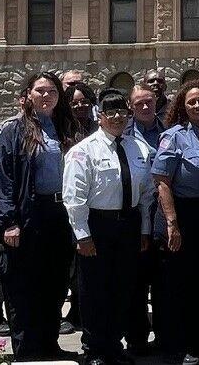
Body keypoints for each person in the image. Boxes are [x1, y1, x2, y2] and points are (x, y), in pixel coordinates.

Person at [0, 73, 80, 360]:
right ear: (28, 95)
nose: (46, 95)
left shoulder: (67, 127)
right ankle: (26, 349)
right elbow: (2, 178)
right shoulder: (14, 131)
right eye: (39, 90)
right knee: (23, 285)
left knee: (54, 283)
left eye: (51, 90)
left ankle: (48, 342)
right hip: (28, 214)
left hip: (60, 215)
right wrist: (9, 221)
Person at [63, 89, 156, 365]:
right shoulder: (84, 151)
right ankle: (95, 349)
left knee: (123, 288)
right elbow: (74, 198)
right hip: (97, 226)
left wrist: (144, 230)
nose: (117, 117)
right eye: (110, 112)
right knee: (95, 291)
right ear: (100, 117)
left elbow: (147, 193)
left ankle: (115, 345)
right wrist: (82, 235)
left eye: (122, 112)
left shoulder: (138, 148)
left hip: (129, 224)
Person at [153, 82, 199, 365]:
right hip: (182, 214)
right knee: (178, 284)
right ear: (182, 106)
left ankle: (195, 340)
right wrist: (172, 222)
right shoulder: (173, 137)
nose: (197, 106)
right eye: (191, 102)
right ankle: (176, 345)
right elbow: (162, 181)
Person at [125, 84, 166, 354]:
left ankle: (164, 337)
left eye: (148, 101)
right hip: (134, 214)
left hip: (163, 214)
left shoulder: (170, 131)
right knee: (135, 283)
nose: (144, 106)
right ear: (131, 106)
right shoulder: (122, 134)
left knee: (164, 280)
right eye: (138, 102)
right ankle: (137, 340)